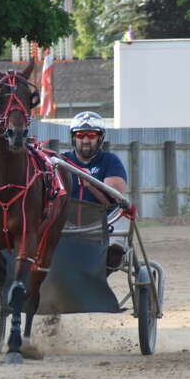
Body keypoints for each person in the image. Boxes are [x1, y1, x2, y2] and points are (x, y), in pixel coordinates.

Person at [61, 111, 130, 272]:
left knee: (125, 210)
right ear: (74, 138)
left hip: (102, 225)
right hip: (66, 225)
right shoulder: (62, 161)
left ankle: (113, 254)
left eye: (91, 135)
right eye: (80, 135)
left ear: (100, 138)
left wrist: (91, 184)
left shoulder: (110, 161)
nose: (85, 140)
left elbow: (113, 200)